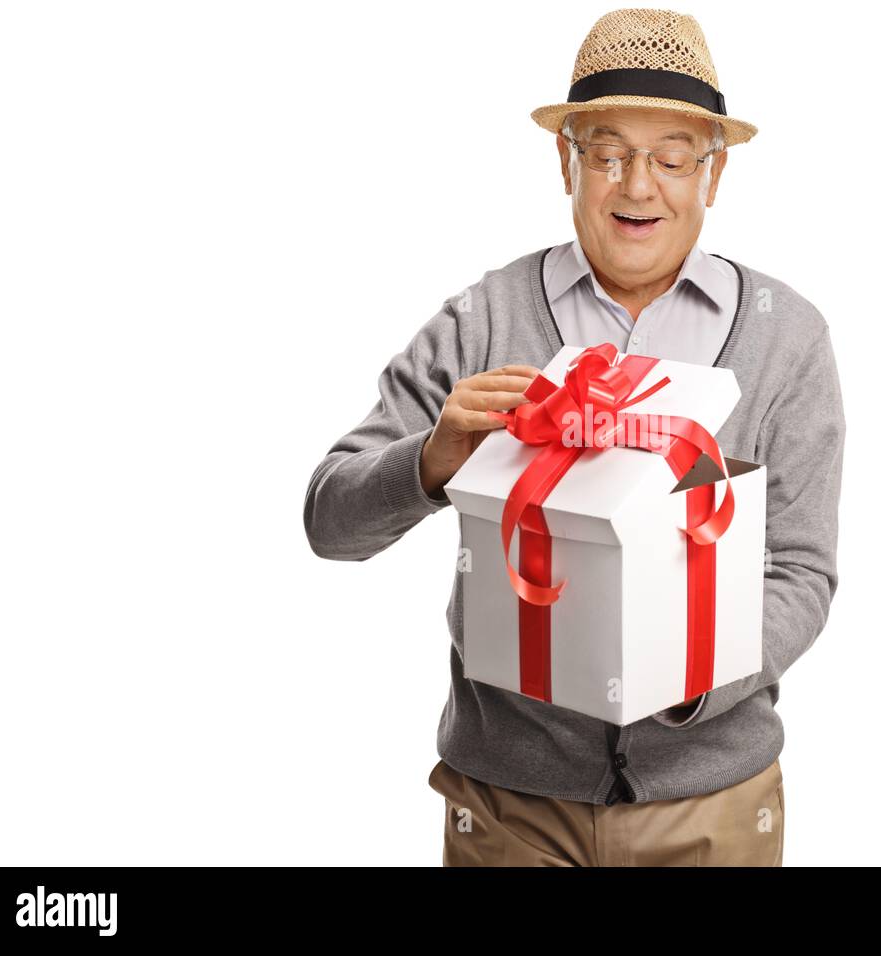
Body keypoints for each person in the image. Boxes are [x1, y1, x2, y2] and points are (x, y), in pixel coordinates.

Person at [303, 8, 846, 866]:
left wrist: (687, 682)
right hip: (510, 802)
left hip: (713, 803)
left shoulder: (788, 338)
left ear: (715, 173)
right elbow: (329, 522)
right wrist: (432, 463)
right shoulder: (484, 320)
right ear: (565, 161)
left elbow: (802, 571)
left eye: (671, 158)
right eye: (606, 153)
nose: (638, 186)